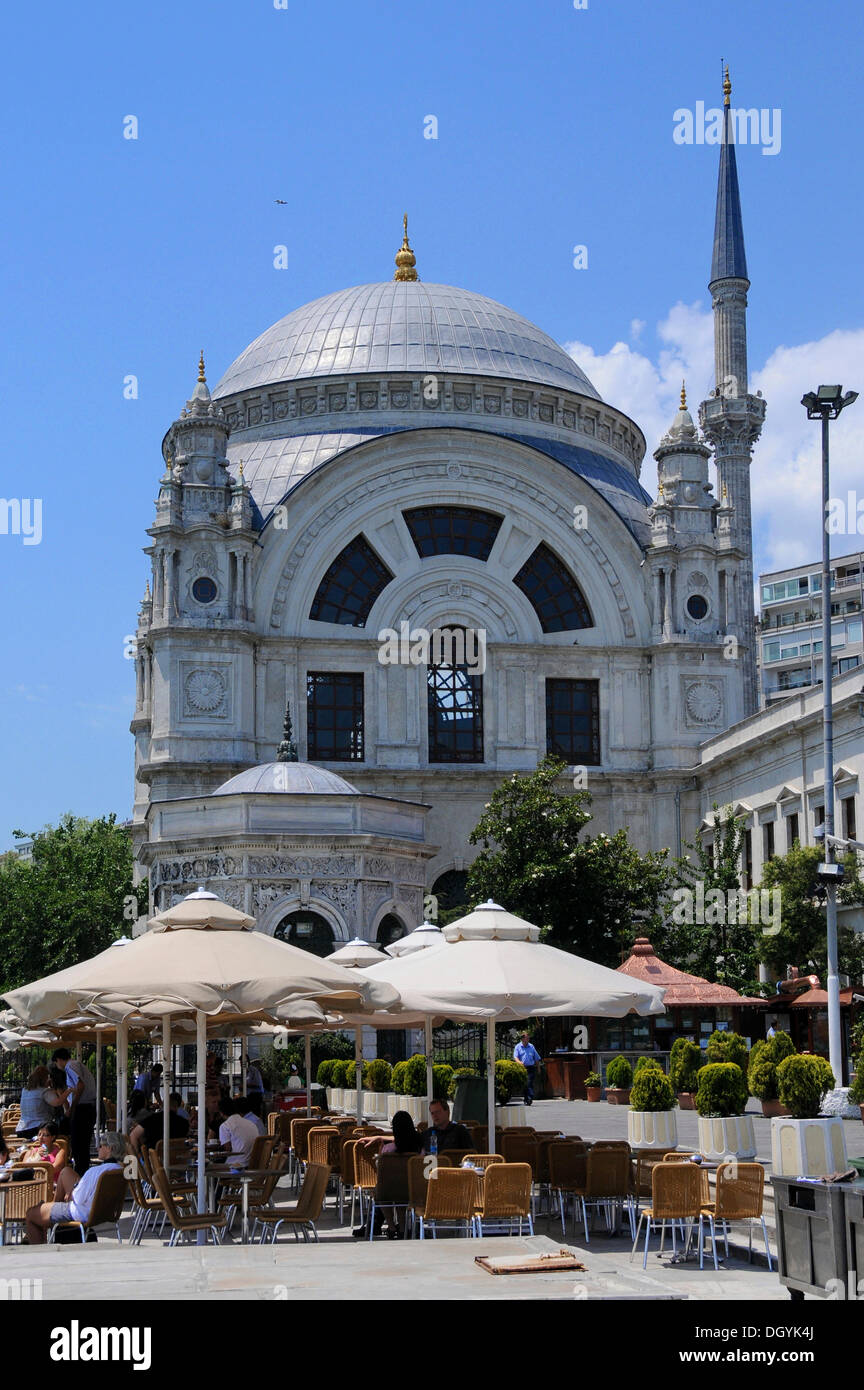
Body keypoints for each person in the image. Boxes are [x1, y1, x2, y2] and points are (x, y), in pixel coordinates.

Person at [24, 1132, 128, 1244]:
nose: (98, 1148)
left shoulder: (95, 1171)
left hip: (81, 1213)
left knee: (31, 1214)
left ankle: (39, 1253)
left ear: (109, 1148)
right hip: (105, 1213)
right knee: (65, 1173)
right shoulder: (121, 1171)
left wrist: (73, 1188)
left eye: (101, 1146)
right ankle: (50, 1213)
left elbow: (78, 1198)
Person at [53, 1048, 98, 1175]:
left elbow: (80, 1085)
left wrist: (73, 1107)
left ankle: (79, 1172)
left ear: (59, 1060)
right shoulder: (77, 1065)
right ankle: (82, 1170)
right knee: (82, 1143)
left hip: (82, 1108)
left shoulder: (70, 1066)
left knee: (78, 1143)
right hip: (88, 1106)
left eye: (56, 1063)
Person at [16, 1066, 69, 1140]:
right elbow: (58, 1102)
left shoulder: (25, 1090)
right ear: (45, 1078)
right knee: (65, 1127)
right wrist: (68, 1091)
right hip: (38, 1130)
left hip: (21, 1130)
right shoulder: (44, 1091)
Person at [19, 1123, 66, 1189]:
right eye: (39, 1134)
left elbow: (57, 1167)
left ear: (53, 1137)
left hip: (52, 1186)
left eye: (45, 1135)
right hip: (32, 1187)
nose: (41, 1137)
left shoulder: (59, 1152)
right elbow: (23, 1170)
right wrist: (37, 1156)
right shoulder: (31, 1152)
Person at [218, 1098, 258, 1168]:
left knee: (209, 1166)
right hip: (251, 1163)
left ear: (221, 1112)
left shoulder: (225, 1126)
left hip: (235, 1165)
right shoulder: (251, 1123)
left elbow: (228, 1149)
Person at [513, 1031, 542, 1106]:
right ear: (522, 1039)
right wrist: (519, 1062)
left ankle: (530, 1096)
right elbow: (515, 1057)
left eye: (528, 1038)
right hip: (522, 1068)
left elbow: (536, 1058)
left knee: (529, 1082)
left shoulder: (531, 1046)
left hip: (531, 1068)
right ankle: (527, 1099)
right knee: (525, 1084)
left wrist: (538, 1068)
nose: (528, 1039)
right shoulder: (518, 1047)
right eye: (527, 1038)